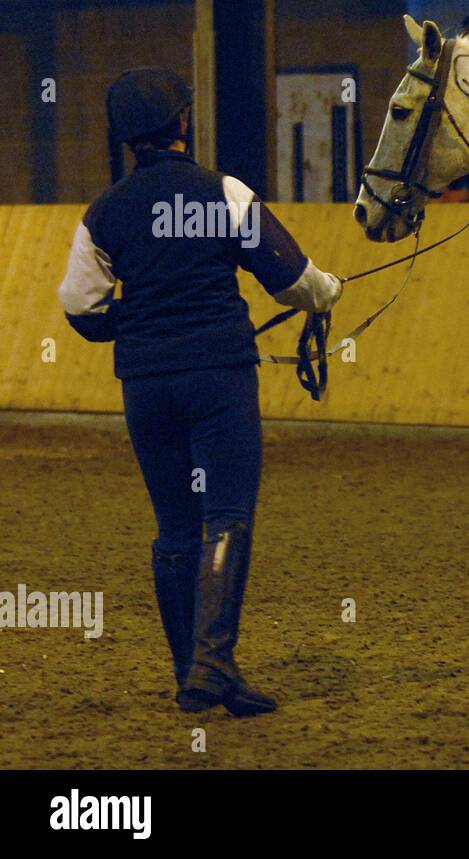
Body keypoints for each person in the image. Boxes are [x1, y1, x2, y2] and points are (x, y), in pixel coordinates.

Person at [58, 67, 343, 716]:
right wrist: (327, 291)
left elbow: (79, 308)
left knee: (176, 526)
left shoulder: (105, 213)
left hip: (146, 387)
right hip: (219, 377)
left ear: (128, 139)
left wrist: (135, 323)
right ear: (182, 123)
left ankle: (194, 673)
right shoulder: (225, 193)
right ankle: (215, 661)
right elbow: (292, 277)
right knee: (227, 514)